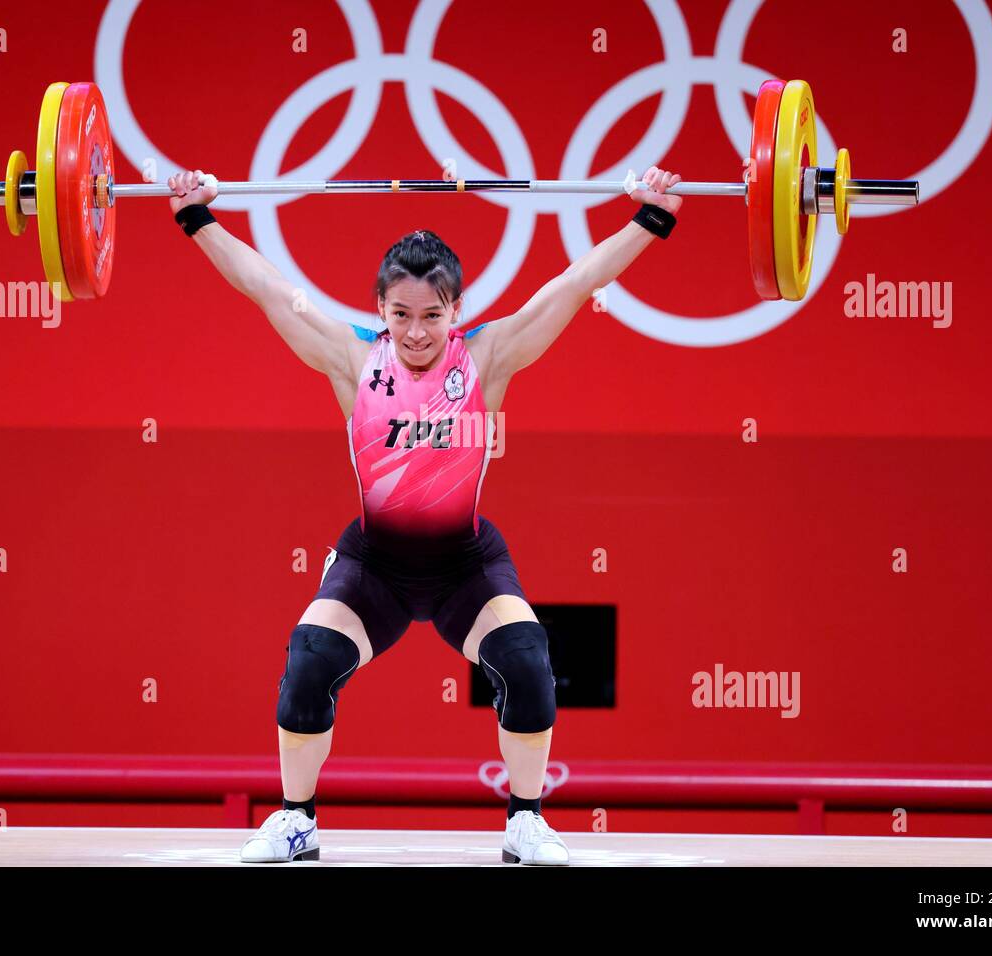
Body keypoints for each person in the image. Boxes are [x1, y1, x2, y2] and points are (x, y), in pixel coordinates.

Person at [166, 165, 683, 864]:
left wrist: (651, 216)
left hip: (463, 565)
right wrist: (197, 217)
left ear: (455, 310)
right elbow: (263, 288)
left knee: (527, 659)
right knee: (309, 658)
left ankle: (525, 822)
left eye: (432, 316)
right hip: (374, 564)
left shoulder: (488, 358)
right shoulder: (352, 360)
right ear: (380, 306)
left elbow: (576, 284)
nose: (416, 332)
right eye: (402, 314)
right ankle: (296, 821)